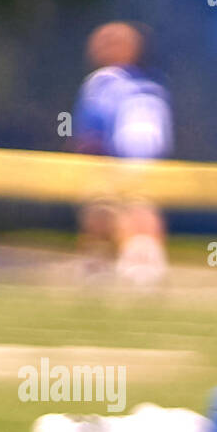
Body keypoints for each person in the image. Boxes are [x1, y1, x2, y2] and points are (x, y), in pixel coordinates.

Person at [73, 21, 173, 286]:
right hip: (148, 164)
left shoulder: (102, 83)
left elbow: (91, 133)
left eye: (109, 41)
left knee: (104, 206)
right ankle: (142, 269)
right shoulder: (153, 84)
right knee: (139, 206)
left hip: (116, 161)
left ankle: (106, 267)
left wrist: (90, 159)